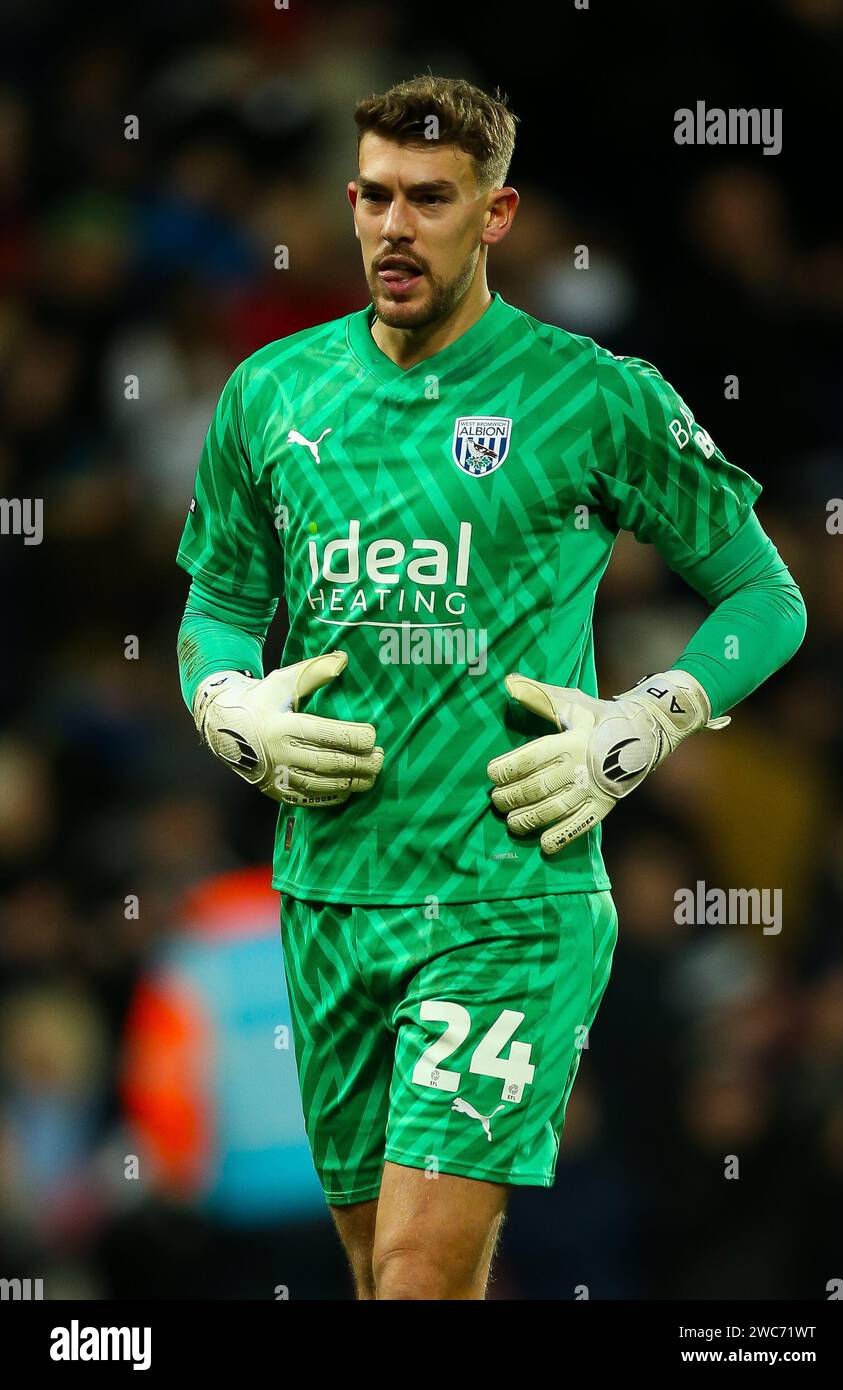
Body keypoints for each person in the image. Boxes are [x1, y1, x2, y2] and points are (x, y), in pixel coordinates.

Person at [175, 75, 806, 1300]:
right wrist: (225, 704)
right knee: (386, 1280)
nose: (391, 226)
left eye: (428, 198)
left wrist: (650, 717)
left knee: (415, 1274)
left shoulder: (589, 393)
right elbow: (214, 609)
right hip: (329, 893)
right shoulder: (270, 393)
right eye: (371, 196)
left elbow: (765, 598)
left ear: (495, 213)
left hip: (506, 895)